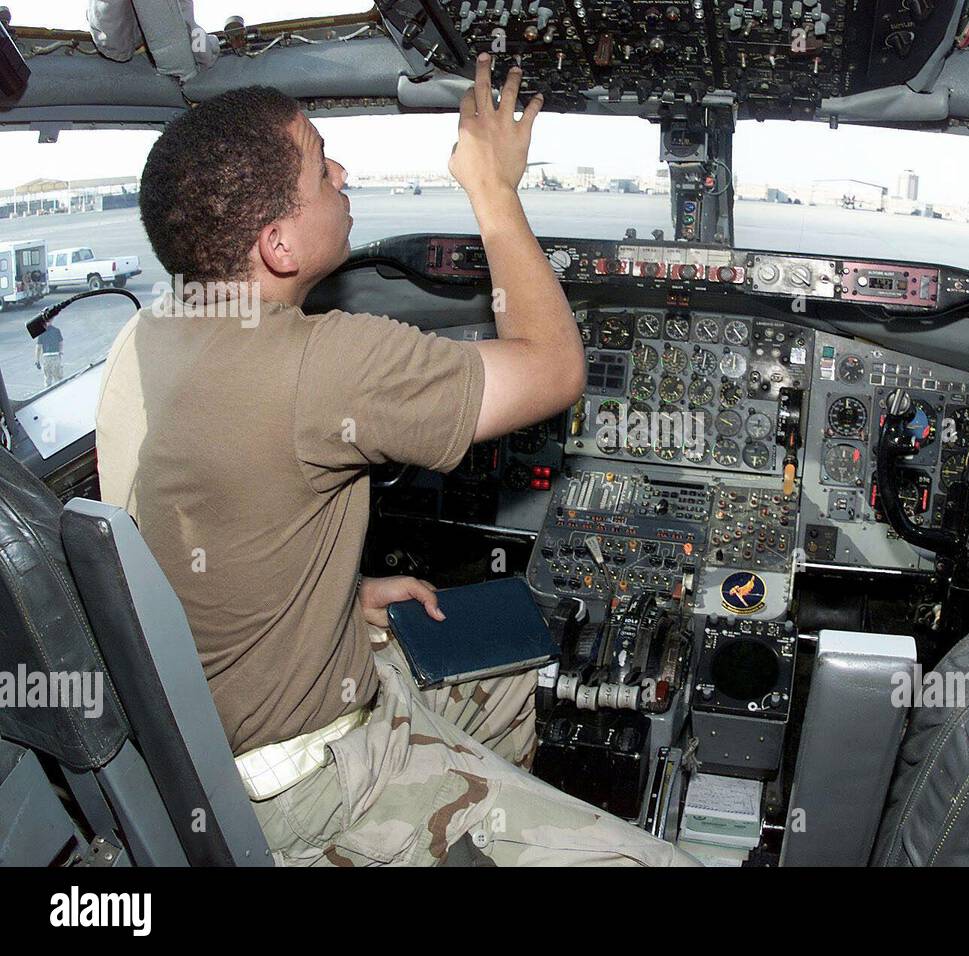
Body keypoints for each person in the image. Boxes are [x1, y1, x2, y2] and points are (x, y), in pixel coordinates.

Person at [95, 55, 696, 866]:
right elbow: (553, 368)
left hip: (220, 733)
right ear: (276, 244)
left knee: (511, 671)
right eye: (319, 162)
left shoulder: (144, 335)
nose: (342, 171)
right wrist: (493, 187)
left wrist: (334, 599)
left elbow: (189, 535)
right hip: (315, 784)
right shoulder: (324, 363)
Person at [34, 317, 63, 387]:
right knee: (58, 379)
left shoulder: (41, 332)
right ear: (52, 320)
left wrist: (37, 361)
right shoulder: (56, 330)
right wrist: (61, 353)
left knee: (47, 379)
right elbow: (61, 343)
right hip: (55, 356)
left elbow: (38, 347)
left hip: (46, 357)